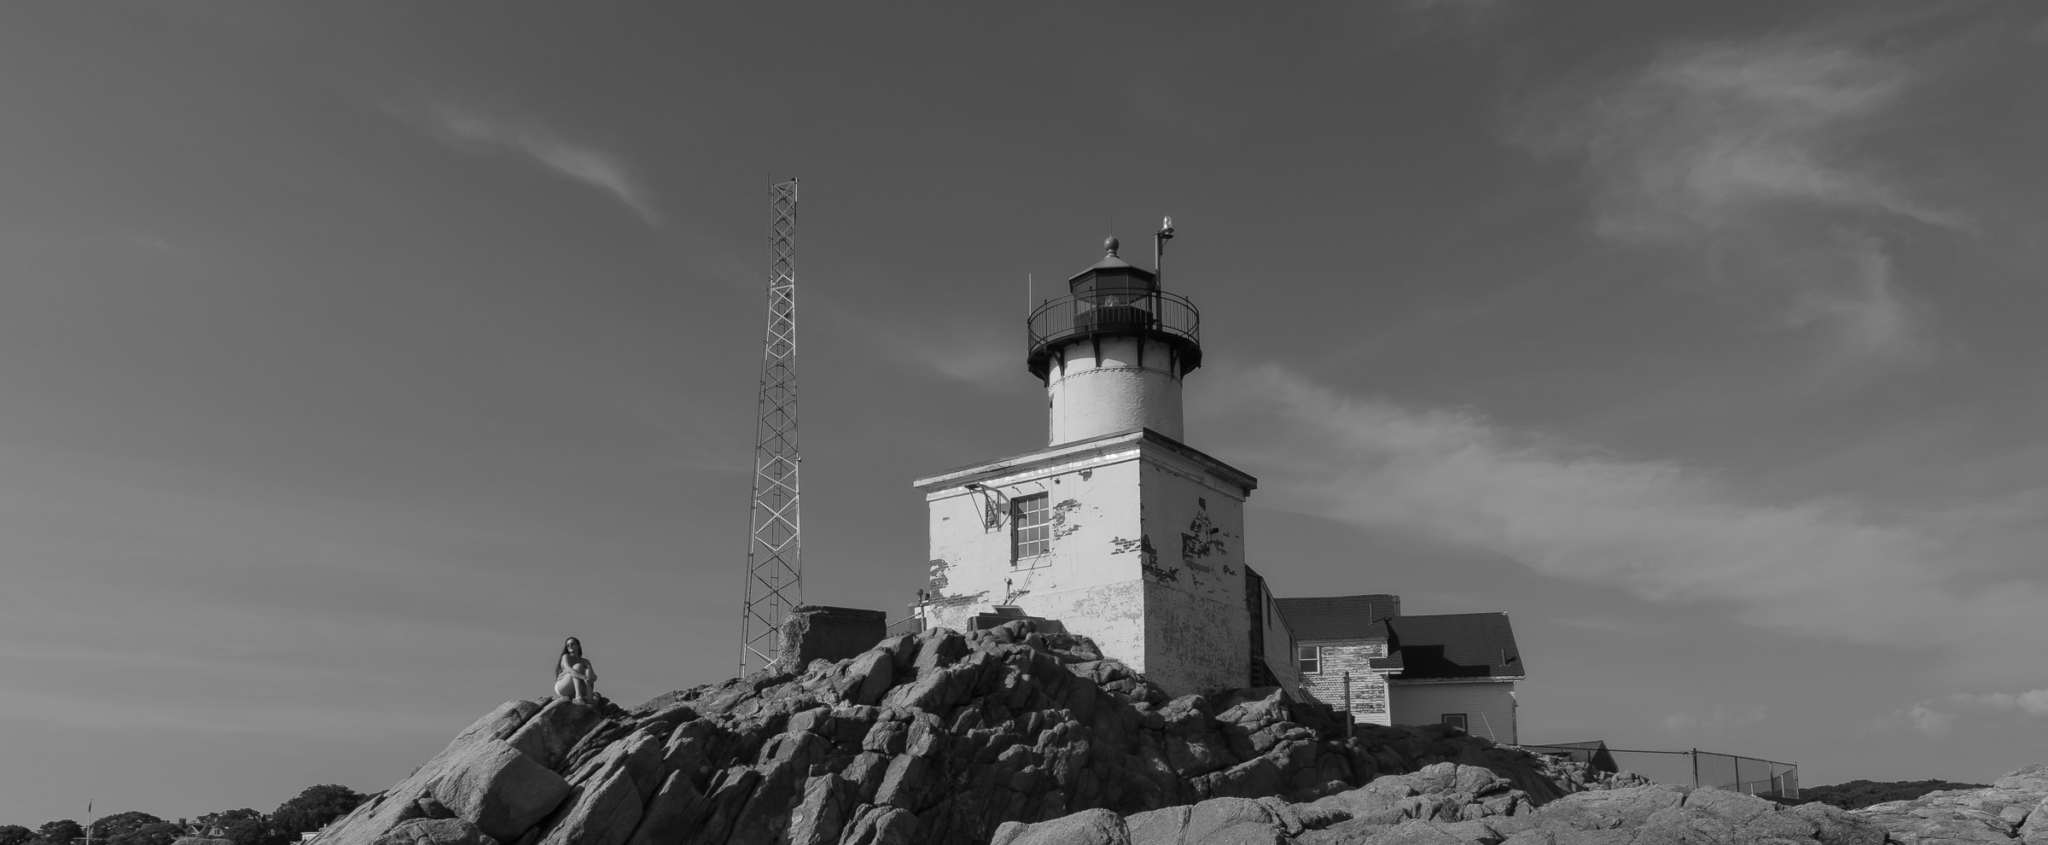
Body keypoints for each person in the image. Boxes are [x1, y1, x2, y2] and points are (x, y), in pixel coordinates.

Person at [554, 637, 597, 705]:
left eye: (572, 644)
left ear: (578, 645)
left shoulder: (585, 661)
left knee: (588, 671)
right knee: (578, 666)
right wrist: (585, 678)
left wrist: (592, 678)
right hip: (564, 687)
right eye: (568, 645)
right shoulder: (566, 656)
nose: (570, 646)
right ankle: (578, 698)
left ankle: (590, 700)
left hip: (580, 687)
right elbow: (569, 670)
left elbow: (593, 675)